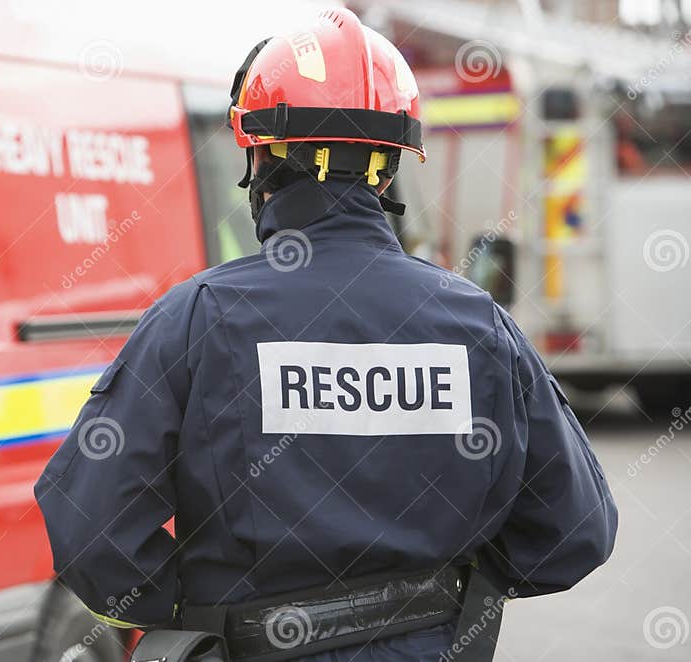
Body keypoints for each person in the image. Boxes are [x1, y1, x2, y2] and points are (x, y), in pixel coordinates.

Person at [35, 9, 618, 661]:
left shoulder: (198, 317)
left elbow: (90, 524)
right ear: (388, 168)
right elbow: (574, 531)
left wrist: (190, 614)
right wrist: (446, 599)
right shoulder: (479, 325)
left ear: (260, 157)